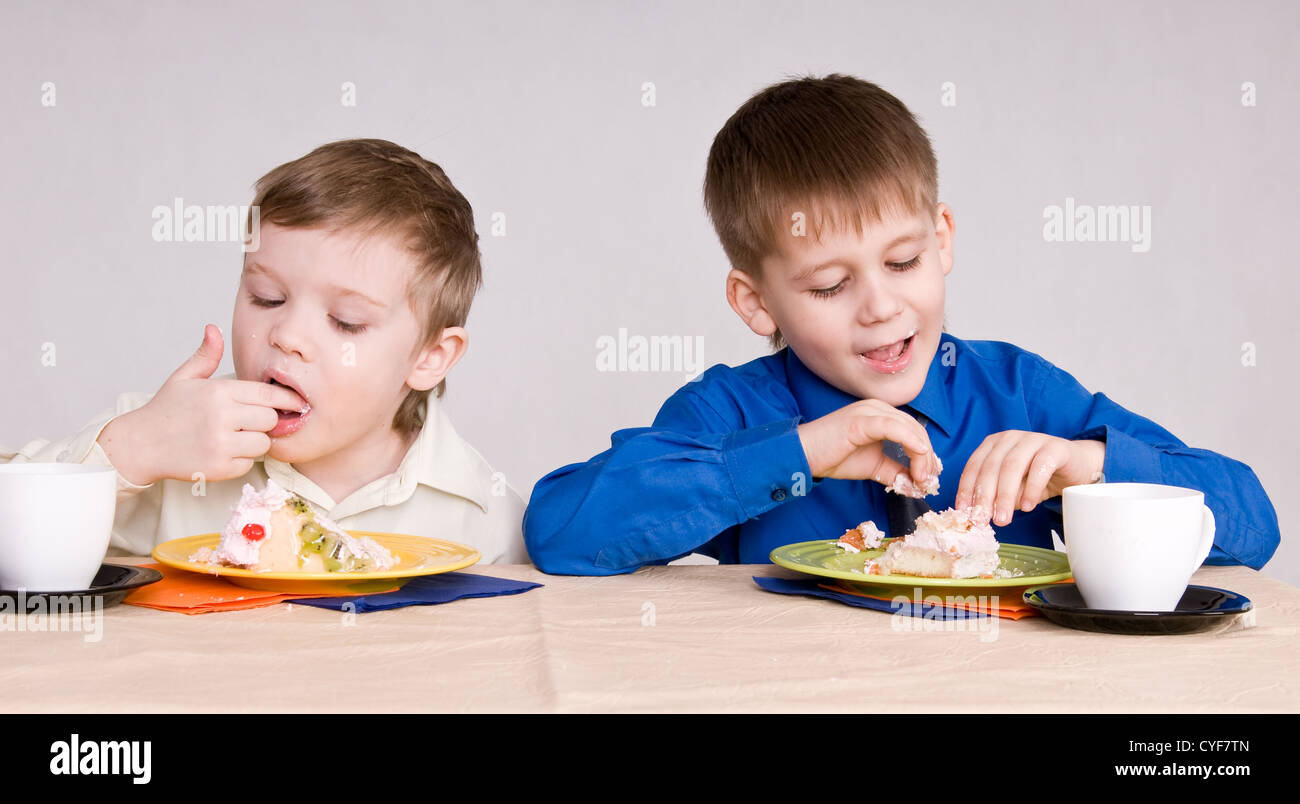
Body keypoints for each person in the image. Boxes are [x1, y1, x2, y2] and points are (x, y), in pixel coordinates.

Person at [523, 74, 1279, 575]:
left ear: (943, 240)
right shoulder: (736, 413)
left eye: (904, 261)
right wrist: (797, 455)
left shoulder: (1019, 394)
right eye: (829, 286)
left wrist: (1090, 468)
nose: (880, 306)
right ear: (756, 304)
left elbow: (1252, 522)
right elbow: (561, 532)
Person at [3, 138, 526, 563]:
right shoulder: (162, 446)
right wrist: (135, 449)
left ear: (429, 357)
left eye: (346, 322)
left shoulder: (487, 516)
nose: (286, 336)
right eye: (266, 298)